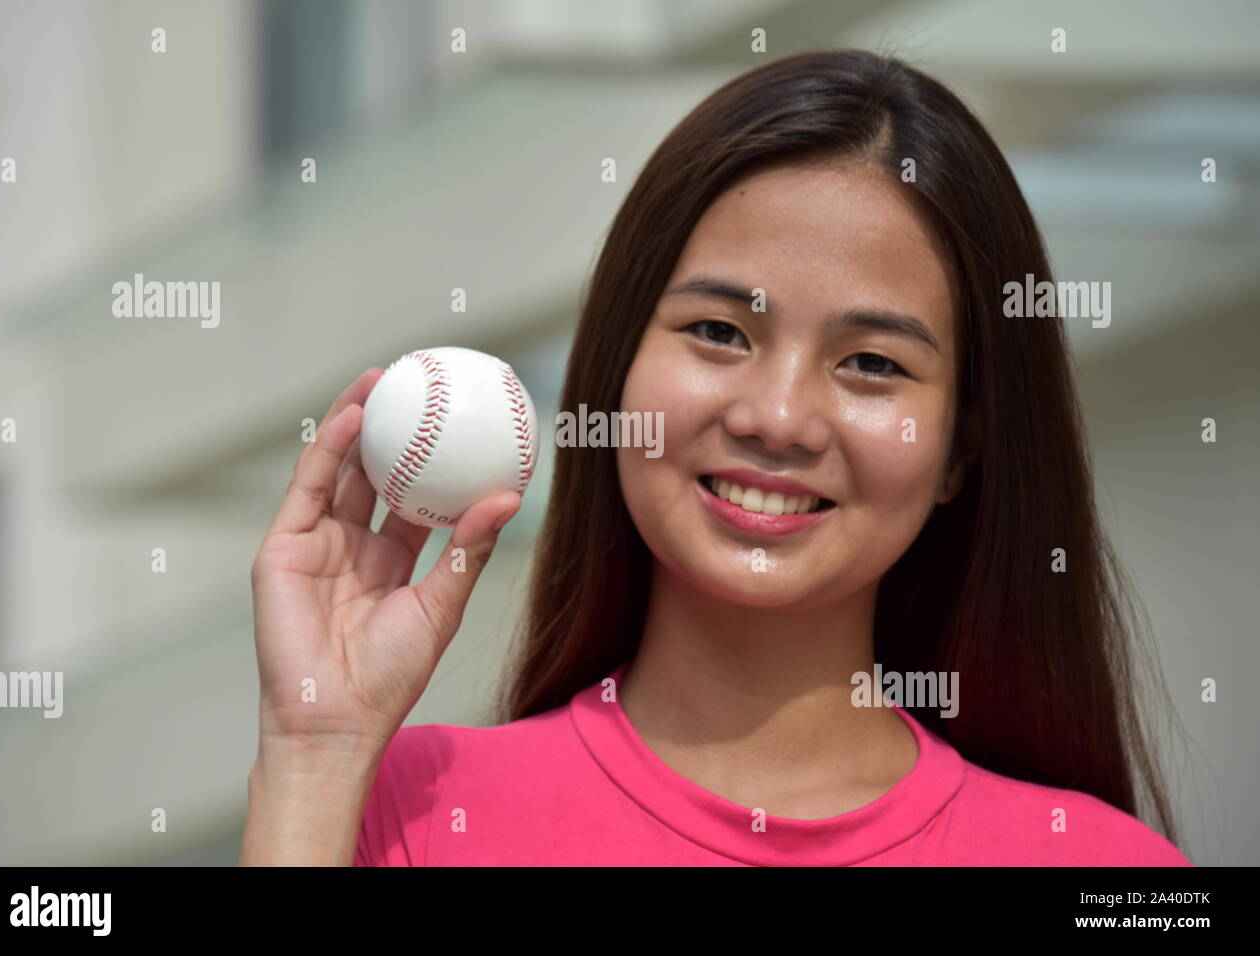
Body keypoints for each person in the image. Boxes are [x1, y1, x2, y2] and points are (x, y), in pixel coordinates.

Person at [239, 49, 1192, 866]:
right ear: (616, 371)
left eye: (871, 363)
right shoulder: (400, 817)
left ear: (957, 451)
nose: (778, 418)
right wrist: (313, 754)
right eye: (719, 332)